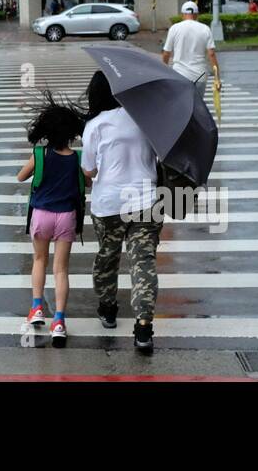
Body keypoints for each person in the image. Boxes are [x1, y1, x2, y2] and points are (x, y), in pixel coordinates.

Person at [81, 70, 162, 354]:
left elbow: (88, 169)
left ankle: (108, 308)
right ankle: (143, 327)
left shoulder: (95, 125)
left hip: (109, 204)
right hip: (146, 201)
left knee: (108, 256)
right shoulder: (146, 120)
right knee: (143, 262)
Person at [17, 92, 89, 348]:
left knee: (39, 260)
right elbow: (87, 181)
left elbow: (21, 177)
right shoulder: (77, 158)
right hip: (66, 217)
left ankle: (37, 308)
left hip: (41, 216)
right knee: (61, 270)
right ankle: (59, 322)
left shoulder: (40, 155)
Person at [161, 1, 219, 97]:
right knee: (198, 106)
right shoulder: (205, 29)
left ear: (182, 14)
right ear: (196, 15)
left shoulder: (174, 28)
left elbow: (166, 53)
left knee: (183, 106)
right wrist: (217, 78)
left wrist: (163, 72)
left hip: (180, 75)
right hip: (200, 76)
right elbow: (211, 54)